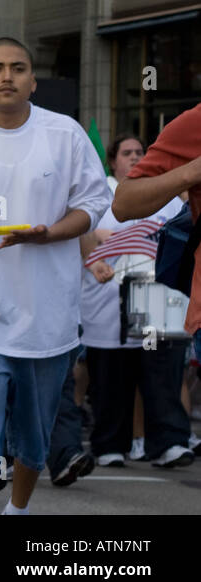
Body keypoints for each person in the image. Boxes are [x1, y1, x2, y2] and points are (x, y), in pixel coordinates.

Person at [0, 38, 111, 515]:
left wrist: (52, 233)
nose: (7, 76)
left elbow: (94, 202)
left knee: (33, 439)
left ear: (33, 80)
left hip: (47, 319)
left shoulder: (63, 134)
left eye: (18, 68)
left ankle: (17, 510)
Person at [80, 133, 194, 469]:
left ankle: (170, 443)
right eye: (127, 153)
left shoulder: (164, 192)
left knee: (161, 376)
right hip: (108, 299)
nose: (134, 157)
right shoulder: (99, 190)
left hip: (155, 299)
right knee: (112, 378)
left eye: (140, 152)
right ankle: (109, 445)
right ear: (112, 160)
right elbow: (84, 232)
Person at [111, 104, 201, 463]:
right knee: (149, 364)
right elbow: (123, 203)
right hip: (142, 289)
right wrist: (189, 173)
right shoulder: (194, 123)